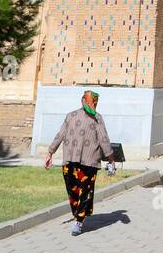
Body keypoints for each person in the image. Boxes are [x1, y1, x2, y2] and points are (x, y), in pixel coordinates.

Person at [45, 89, 116, 235]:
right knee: (74, 191)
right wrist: (50, 152)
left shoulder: (97, 118)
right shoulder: (71, 116)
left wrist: (110, 158)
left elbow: (103, 140)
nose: (92, 104)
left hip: (89, 162)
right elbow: (60, 135)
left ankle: (79, 221)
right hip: (70, 161)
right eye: (91, 101)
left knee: (85, 192)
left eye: (93, 101)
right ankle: (79, 214)